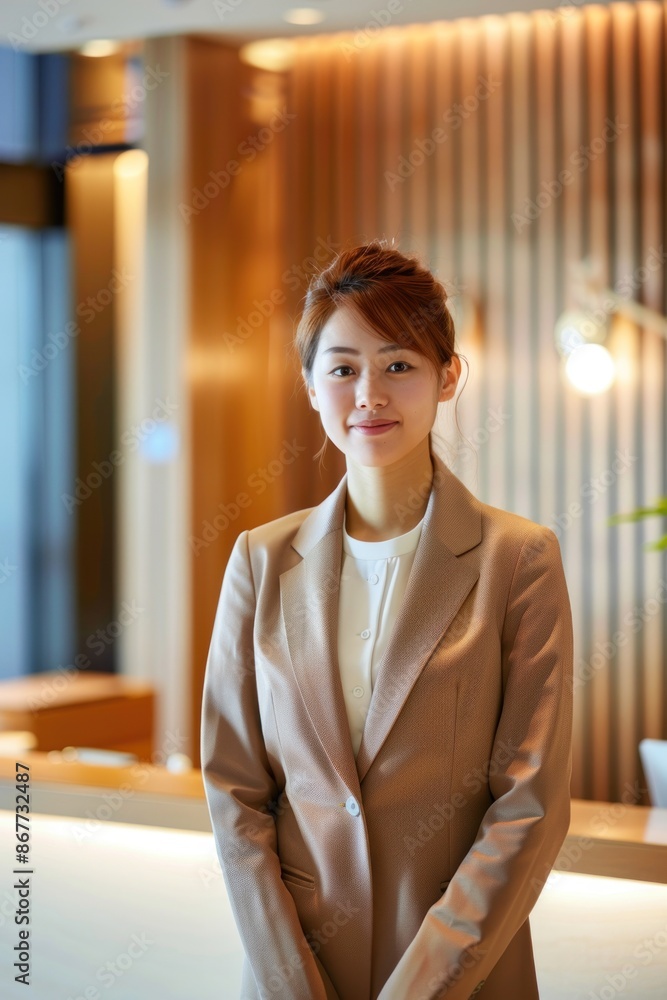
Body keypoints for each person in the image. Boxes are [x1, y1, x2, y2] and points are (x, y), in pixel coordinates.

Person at [200, 240, 573, 1000]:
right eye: (341, 368)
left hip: (463, 976)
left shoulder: (519, 558)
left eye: (398, 365)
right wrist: (289, 981)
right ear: (309, 386)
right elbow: (234, 793)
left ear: (448, 376)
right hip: (296, 977)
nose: (368, 393)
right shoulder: (259, 559)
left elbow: (527, 806)